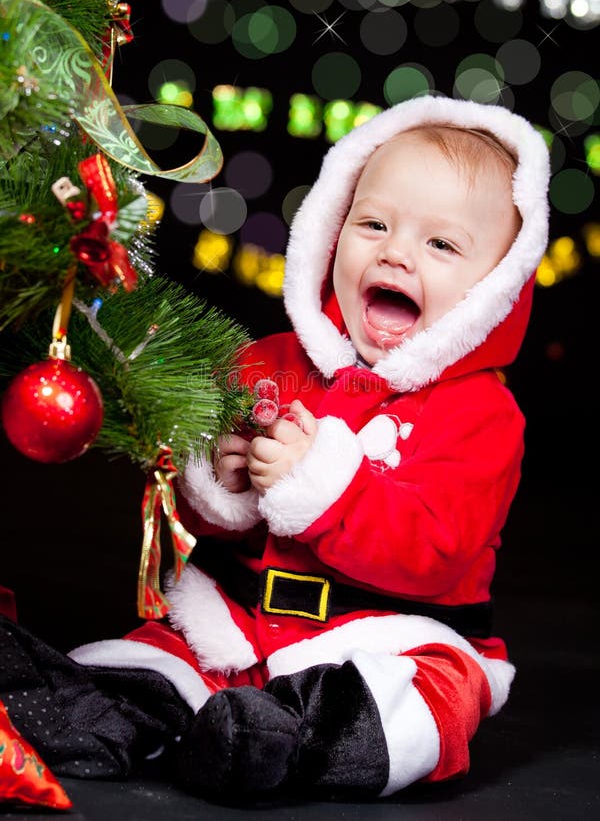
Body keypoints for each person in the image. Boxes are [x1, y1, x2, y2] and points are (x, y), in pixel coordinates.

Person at [0, 95, 550, 801]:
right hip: (239, 622)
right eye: (373, 224)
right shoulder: (272, 361)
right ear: (330, 231)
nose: (394, 252)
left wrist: (327, 488)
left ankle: (288, 742)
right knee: (159, 658)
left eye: (441, 245)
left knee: (417, 702)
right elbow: (200, 517)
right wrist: (221, 481)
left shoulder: (480, 414)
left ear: (495, 289)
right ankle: (95, 708)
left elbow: (435, 550)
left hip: (389, 635)